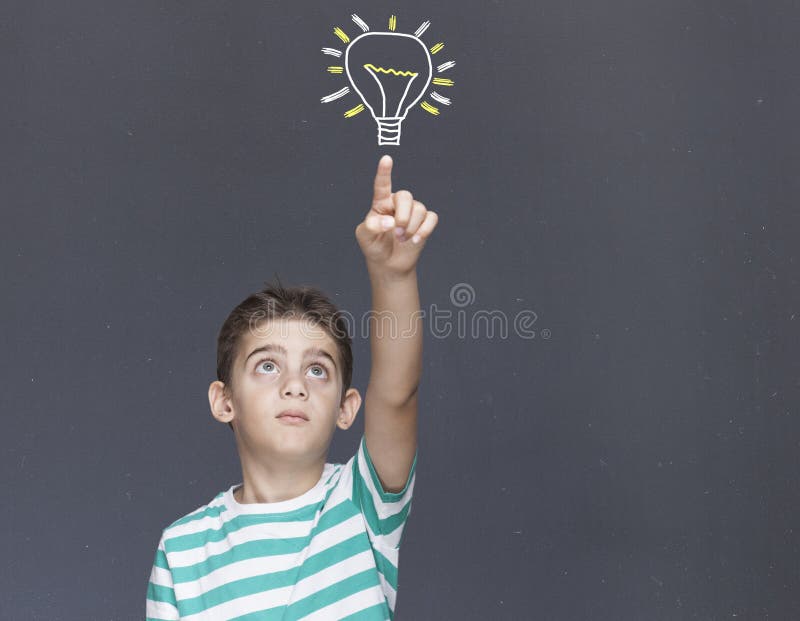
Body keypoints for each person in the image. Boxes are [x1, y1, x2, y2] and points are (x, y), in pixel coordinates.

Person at [145, 155, 439, 620]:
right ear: (224, 401)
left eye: (318, 370)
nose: (295, 385)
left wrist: (393, 274)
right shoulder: (182, 550)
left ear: (347, 408)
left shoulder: (361, 502)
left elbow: (397, 391)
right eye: (267, 366)